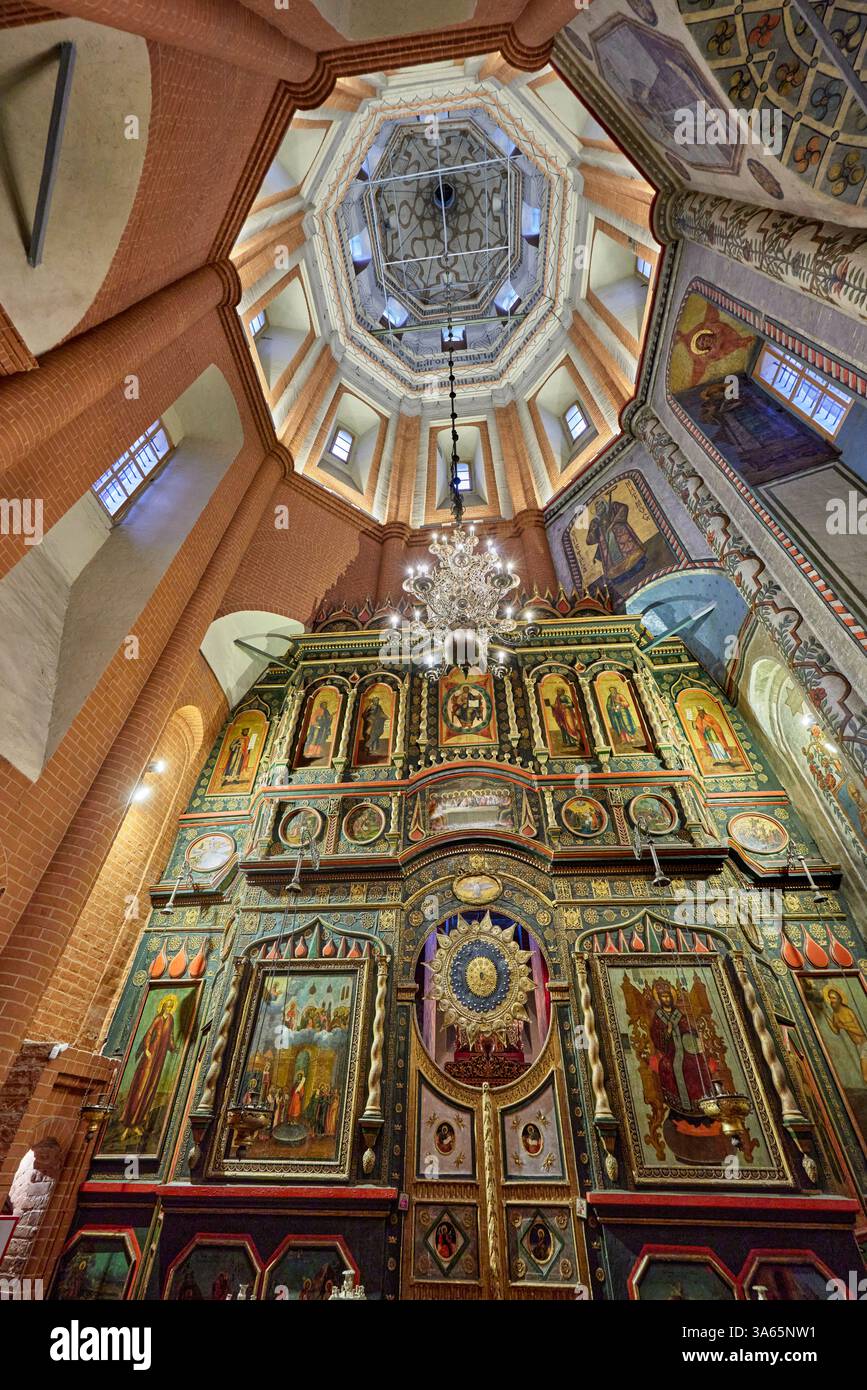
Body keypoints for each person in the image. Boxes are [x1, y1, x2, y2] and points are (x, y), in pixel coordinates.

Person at [117, 995, 179, 1147]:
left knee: (150, 1088)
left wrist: (174, 1048)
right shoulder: (158, 1019)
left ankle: (138, 1122)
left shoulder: (170, 1019)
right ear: (163, 1006)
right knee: (140, 1087)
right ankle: (128, 1122)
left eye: (171, 1006)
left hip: (160, 1058)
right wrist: (146, 1049)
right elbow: (149, 1033)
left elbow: (170, 1036)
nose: (168, 1008)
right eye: (167, 1006)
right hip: (150, 1056)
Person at [825, 987, 867, 1083]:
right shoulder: (835, 1015)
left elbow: (860, 1031)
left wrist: (844, 1026)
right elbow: (836, 1031)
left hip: (864, 1043)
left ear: (840, 999)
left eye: (833, 998)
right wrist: (826, 1017)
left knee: (865, 1076)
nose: (831, 1001)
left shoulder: (848, 1011)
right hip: (858, 1045)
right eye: (830, 998)